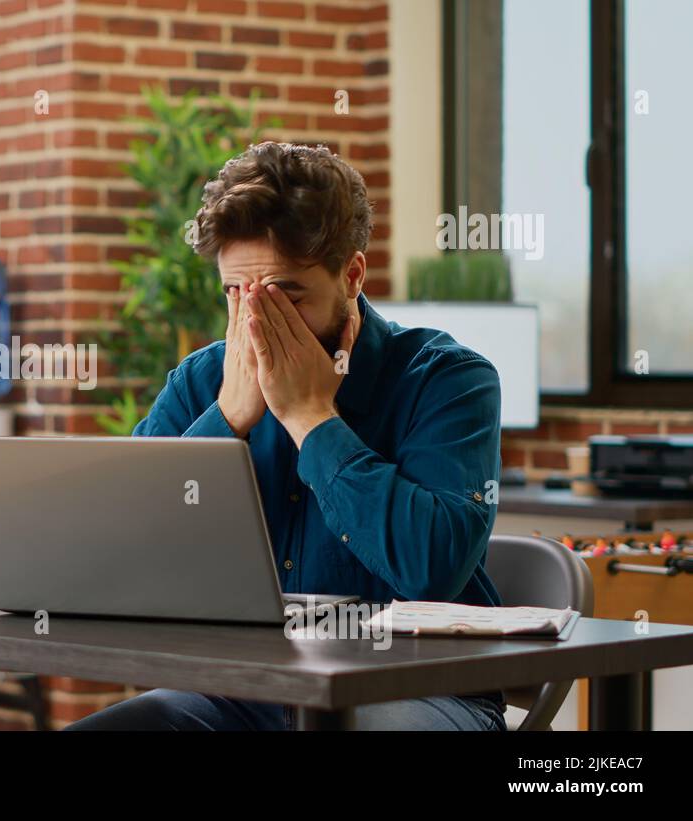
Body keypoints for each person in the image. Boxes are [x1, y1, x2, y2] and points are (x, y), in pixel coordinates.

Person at [67, 143, 506, 731]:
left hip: (424, 689)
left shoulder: (448, 379)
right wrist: (227, 419)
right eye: (235, 294)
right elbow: (122, 548)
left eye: (284, 295)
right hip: (243, 693)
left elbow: (430, 568)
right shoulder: (202, 381)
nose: (255, 322)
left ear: (351, 275)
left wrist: (310, 418)